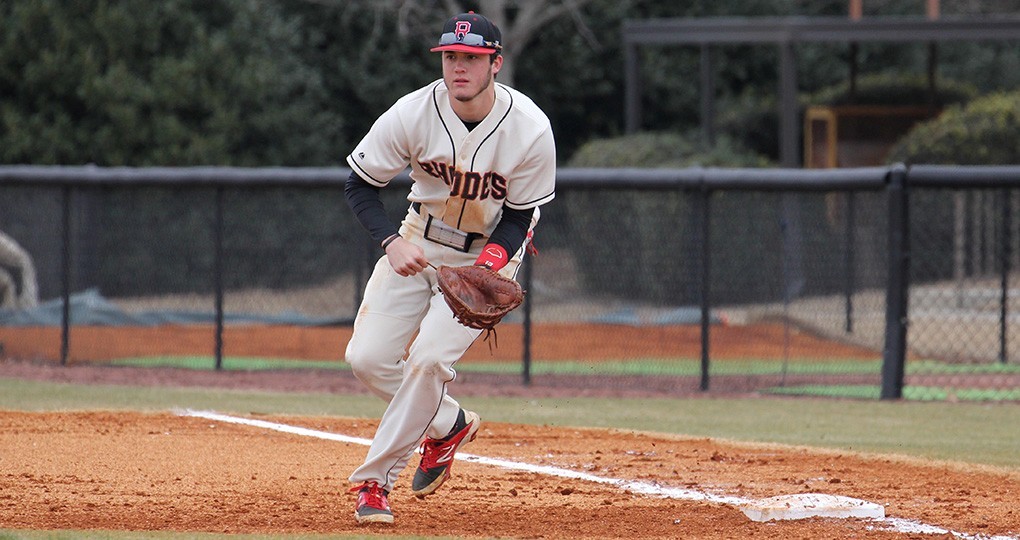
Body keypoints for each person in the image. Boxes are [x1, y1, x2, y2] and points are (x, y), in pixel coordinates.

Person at [342, 11, 556, 525]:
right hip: (418, 238)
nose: (459, 67)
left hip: (489, 252)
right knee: (367, 359)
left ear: (495, 64)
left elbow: (521, 214)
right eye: (451, 57)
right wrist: (391, 242)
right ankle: (447, 422)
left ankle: (374, 482)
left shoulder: (530, 128)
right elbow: (360, 185)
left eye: (472, 58)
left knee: (428, 359)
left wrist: (487, 269)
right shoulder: (411, 114)